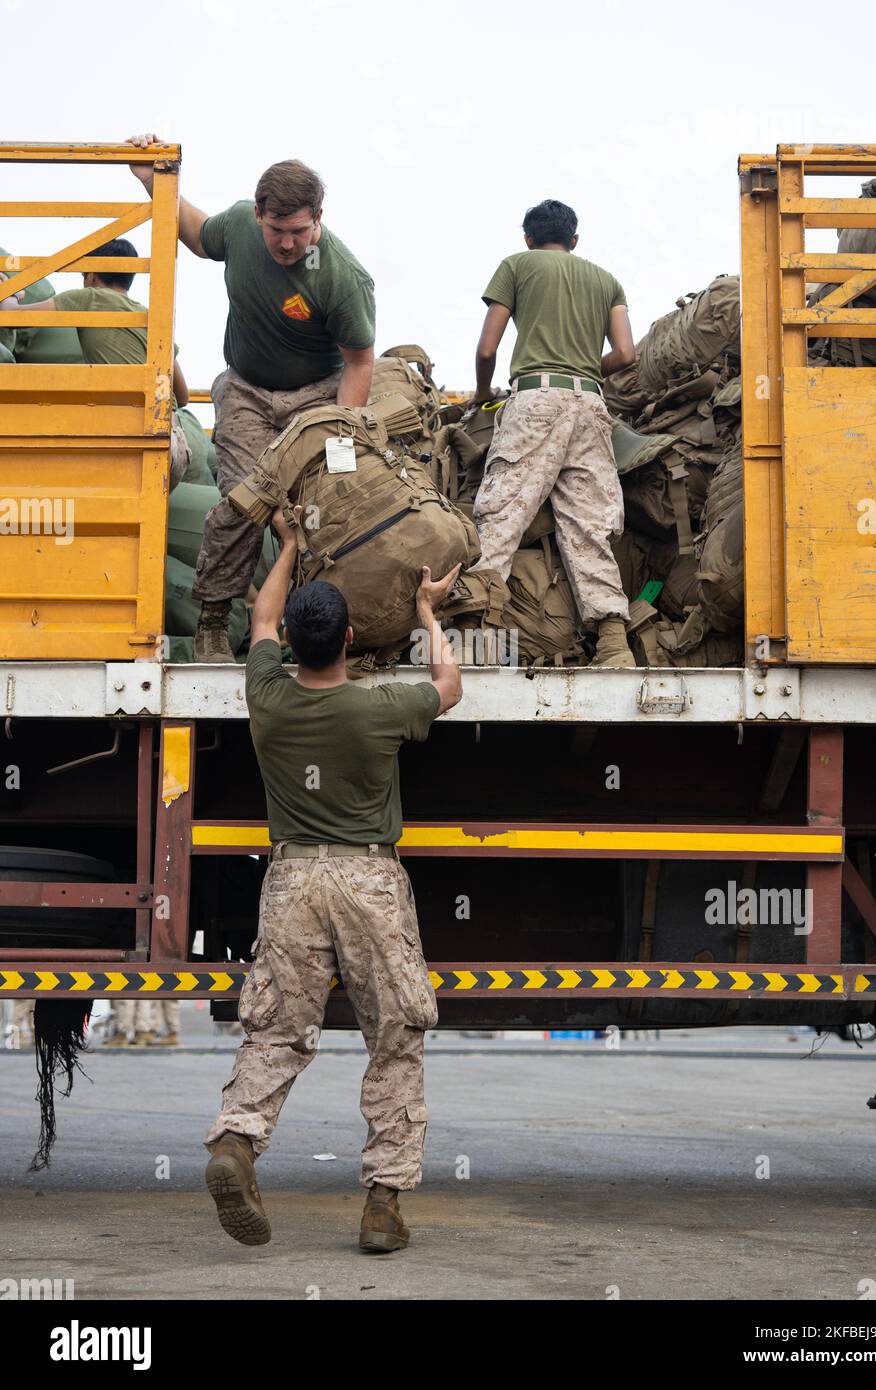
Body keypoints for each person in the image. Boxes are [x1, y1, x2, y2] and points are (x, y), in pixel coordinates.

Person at [202, 508, 462, 1253]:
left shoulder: (269, 698)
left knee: (277, 1030)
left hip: (290, 881)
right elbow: (448, 685)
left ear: (290, 640)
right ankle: (383, 1204)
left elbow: (257, 615)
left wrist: (285, 545)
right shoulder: (380, 707)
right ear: (349, 639)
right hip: (367, 880)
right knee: (395, 1036)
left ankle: (238, 1144)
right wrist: (426, 613)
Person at [127, 135, 377, 663]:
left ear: (319, 219)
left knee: (319, 513)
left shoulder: (342, 278)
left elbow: (359, 362)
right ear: (258, 213)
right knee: (242, 503)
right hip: (245, 390)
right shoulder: (239, 227)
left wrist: (340, 437)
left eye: (299, 232)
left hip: (317, 397)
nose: (287, 245)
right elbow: (194, 233)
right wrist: (149, 176)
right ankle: (214, 623)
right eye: (276, 231)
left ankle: (314, 631)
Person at [471, 198, 638, 666]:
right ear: (575, 240)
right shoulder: (606, 279)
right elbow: (626, 353)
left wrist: (484, 393)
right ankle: (612, 642)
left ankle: (477, 632)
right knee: (590, 522)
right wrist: (586, 369)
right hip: (589, 403)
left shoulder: (516, 264)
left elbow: (487, 348)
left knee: (502, 512)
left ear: (528, 238)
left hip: (536, 400)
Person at [0, 238, 191, 486]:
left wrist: (12, 291)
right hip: (173, 446)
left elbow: (11, 316)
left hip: (132, 435)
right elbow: (183, 397)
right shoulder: (150, 317)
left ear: (91, 275)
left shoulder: (89, 298)